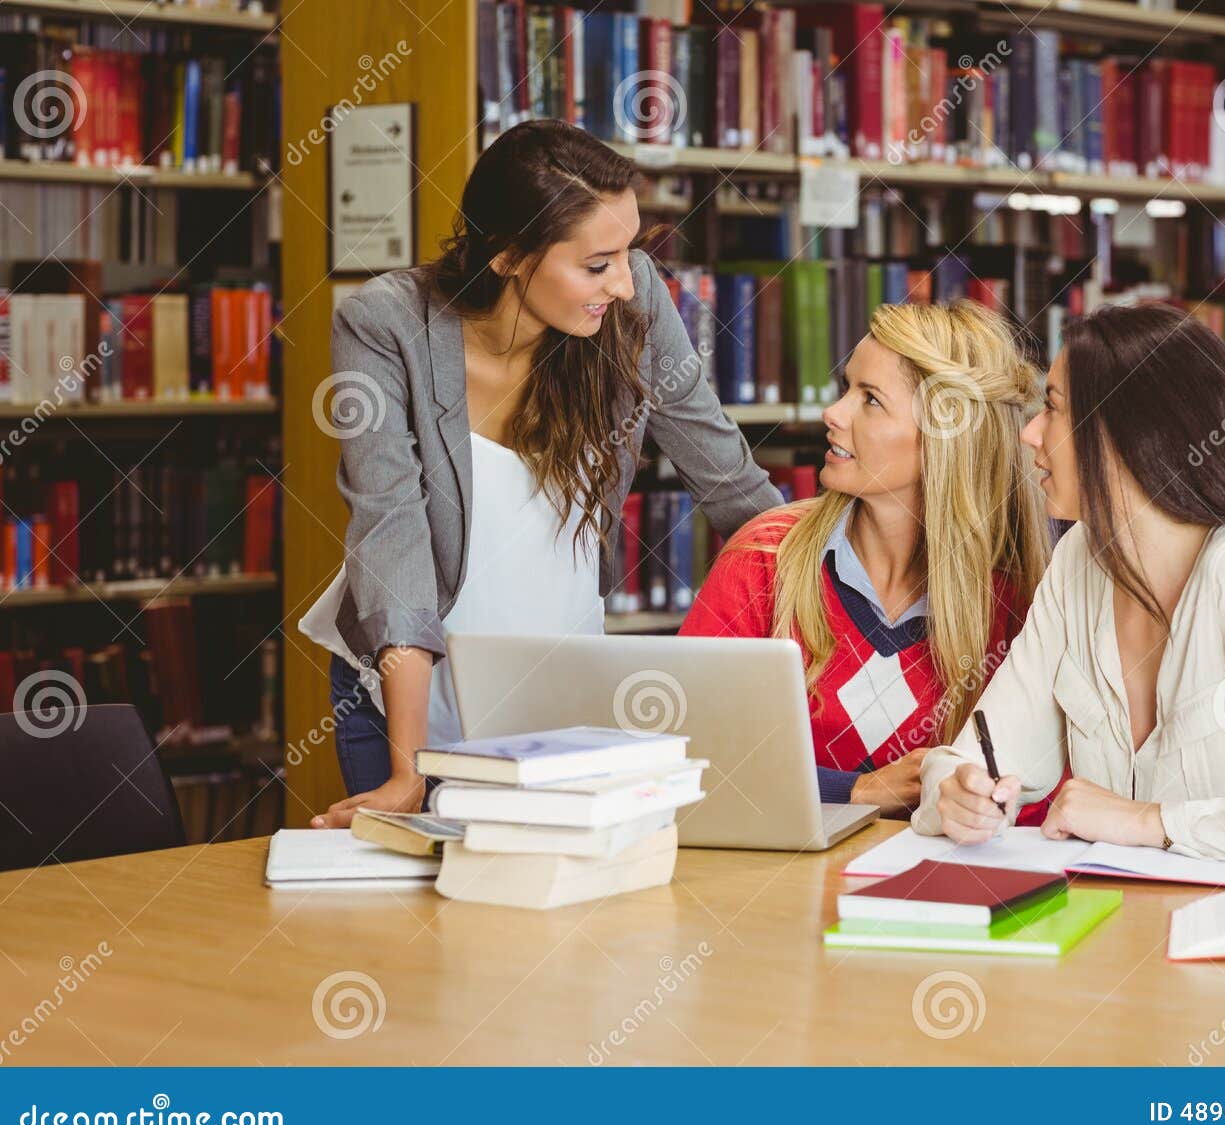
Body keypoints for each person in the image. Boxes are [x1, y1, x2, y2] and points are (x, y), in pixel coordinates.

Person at [299, 119, 781, 828]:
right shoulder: (385, 324)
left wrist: (829, 579)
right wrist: (411, 766)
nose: (624, 283)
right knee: (413, 932)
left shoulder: (631, 302)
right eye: (597, 264)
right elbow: (390, 528)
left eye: (630, 254)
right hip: (404, 700)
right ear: (509, 256)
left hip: (559, 694)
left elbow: (725, 473)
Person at [911, 303, 1225, 874]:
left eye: (1051, 408)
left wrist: (1150, 821)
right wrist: (956, 793)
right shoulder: (1078, 558)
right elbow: (982, 755)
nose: (1029, 432)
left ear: (1125, 435)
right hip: (1126, 935)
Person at [680, 299, 1051, 819]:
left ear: (945, 442)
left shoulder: (1023, 602)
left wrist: (978, 805)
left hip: (933, 891)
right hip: (776, 891)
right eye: (846, 388)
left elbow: (1042, 799)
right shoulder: (764, 557)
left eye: (871, 400)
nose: (833, 414)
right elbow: (683, 754)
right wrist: (855, 791)